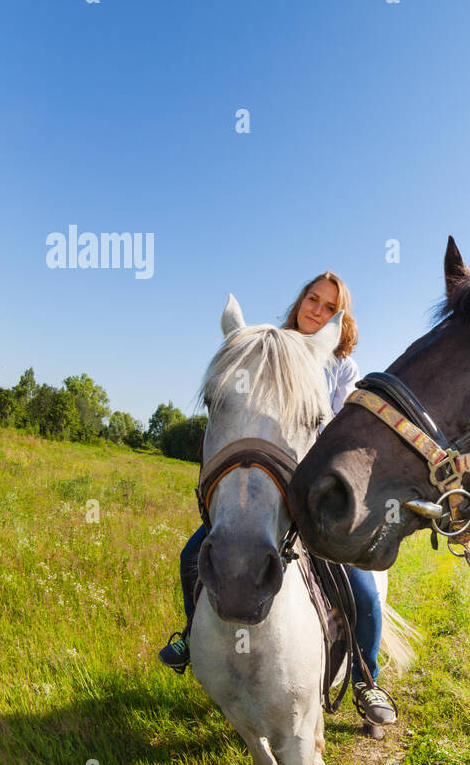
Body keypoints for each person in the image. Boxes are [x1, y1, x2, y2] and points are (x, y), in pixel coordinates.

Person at [159, 271, 398, 727]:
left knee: (363, 586)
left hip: (311, 490)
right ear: (301, 300)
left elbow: (339, 428)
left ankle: (368, 675)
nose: (318, 311)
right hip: (263, 485)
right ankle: (192, 636)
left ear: (339, 319)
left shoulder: (340, 367)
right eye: (313, 299)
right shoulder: (266, 344)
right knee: (193, 554)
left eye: (330, 308)